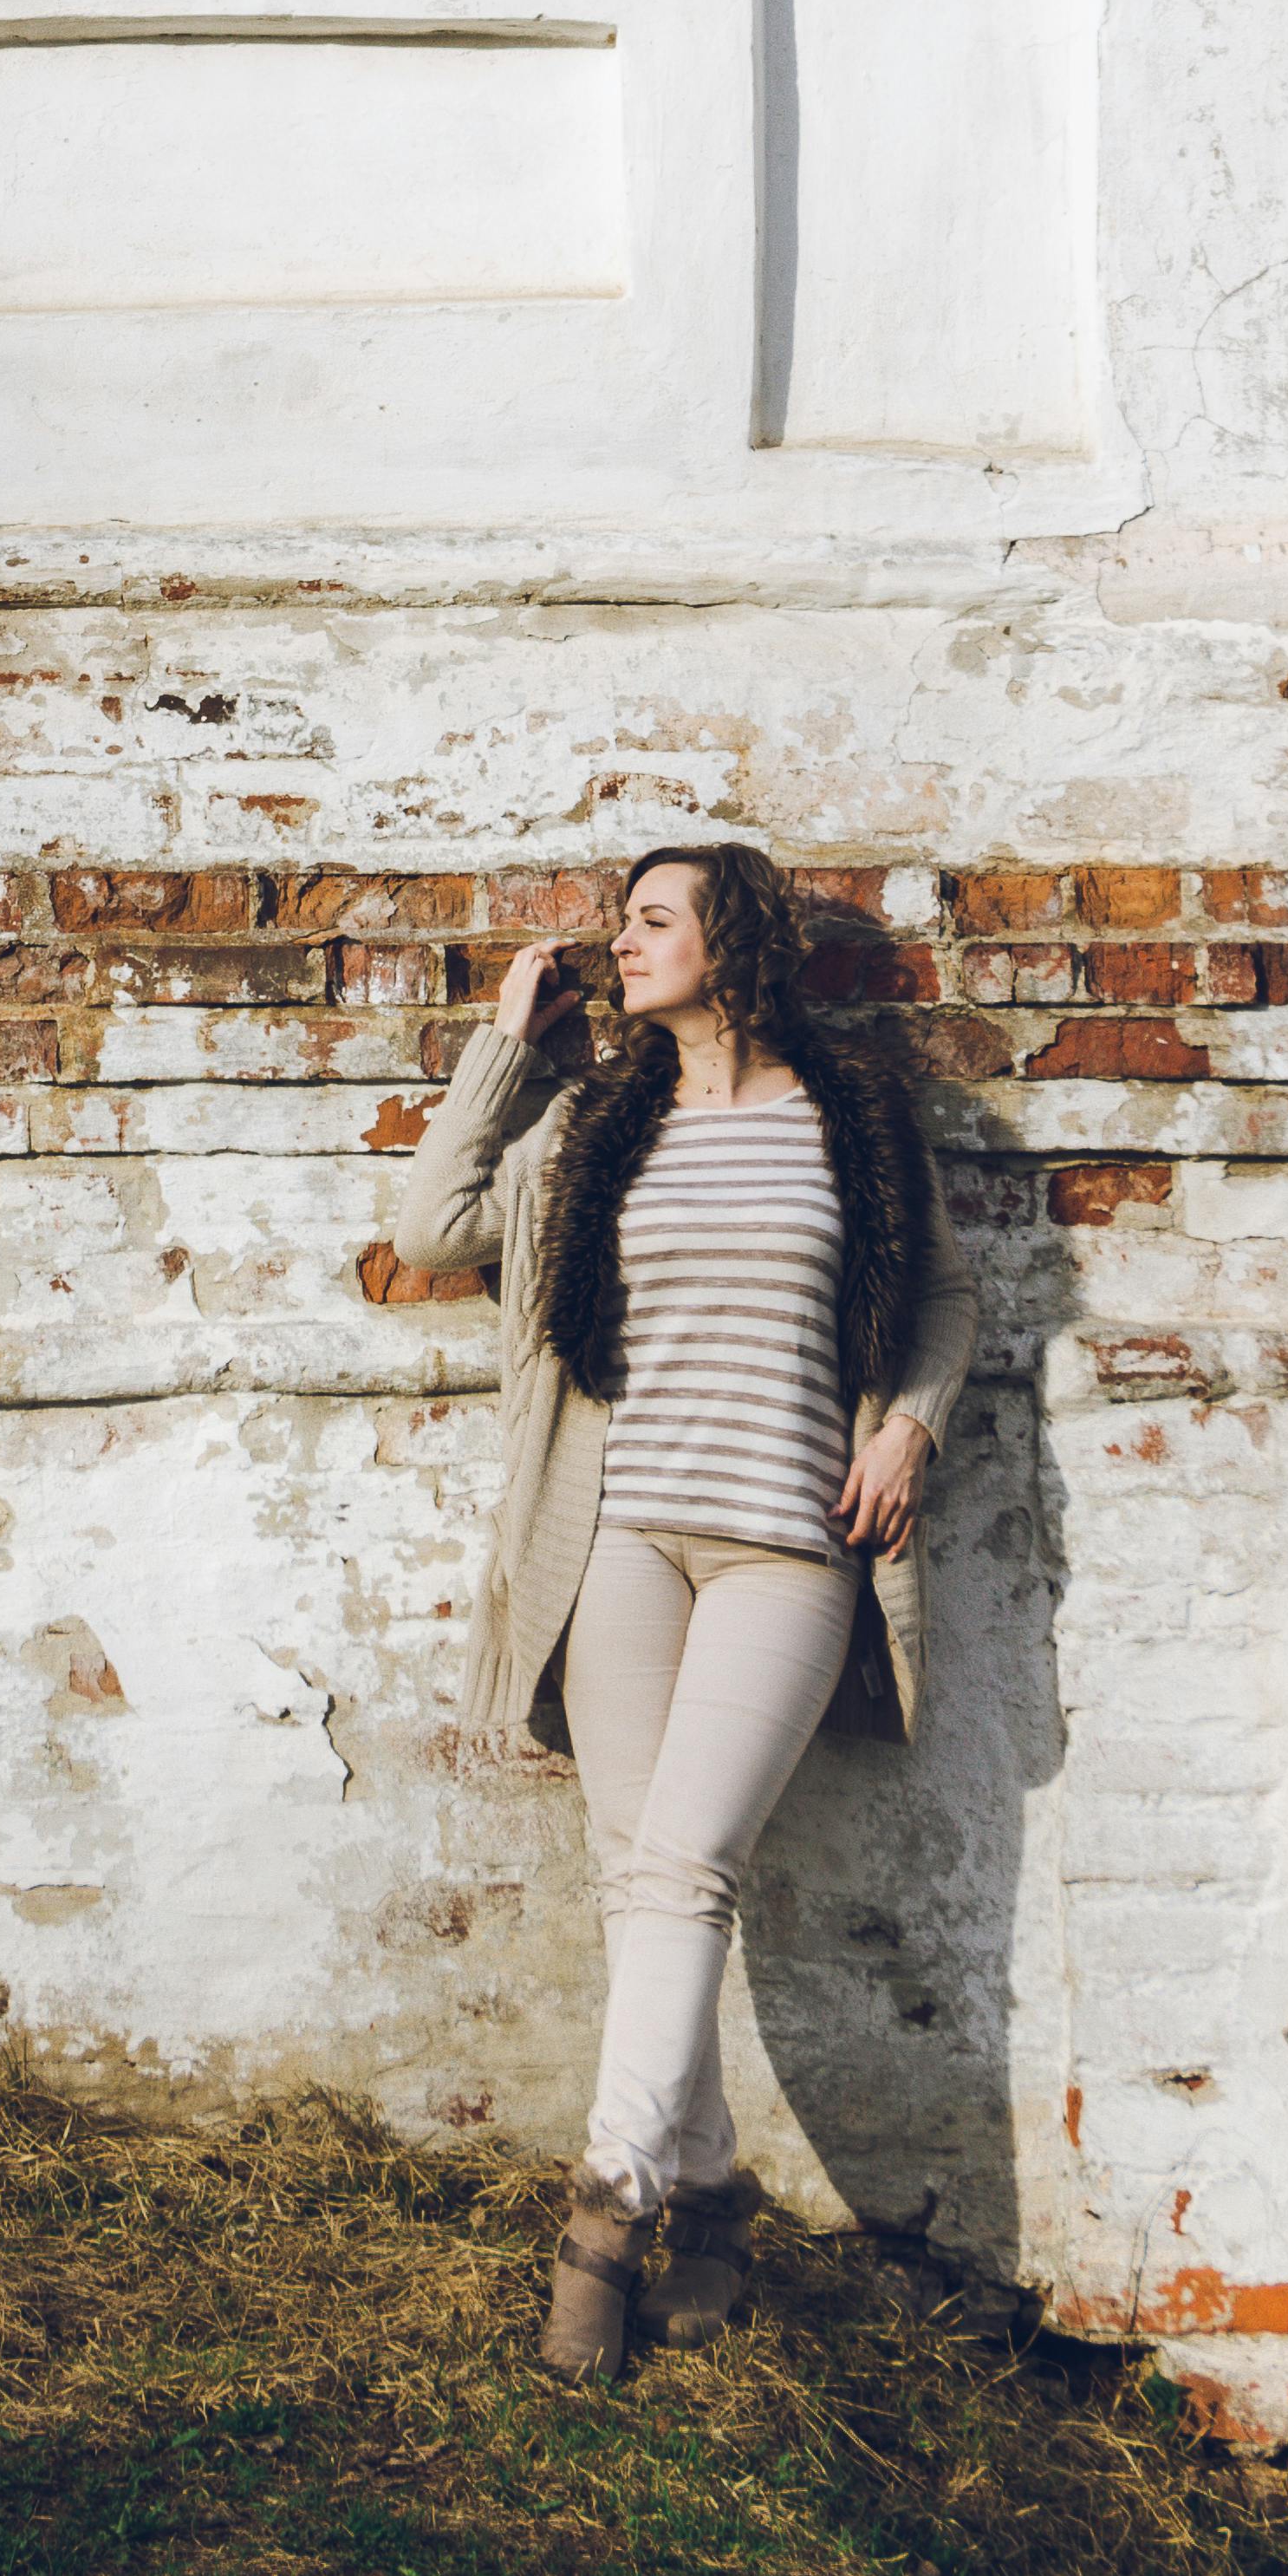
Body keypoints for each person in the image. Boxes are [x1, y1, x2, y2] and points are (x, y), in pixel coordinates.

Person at [392, 840, 978, 2380]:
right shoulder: (596, 1122)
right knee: (640, 1875)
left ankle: (608, 2213)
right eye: (623, 923)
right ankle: (712, 2200)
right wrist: (506, 1049)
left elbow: (942, 1298)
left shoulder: (852, 1118)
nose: (623, 943)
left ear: (735, 942)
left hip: (791, 1547)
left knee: (687, 1865)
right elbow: (432, 1228)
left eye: (655, 920)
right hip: (622, 1543)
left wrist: (910, 1430)